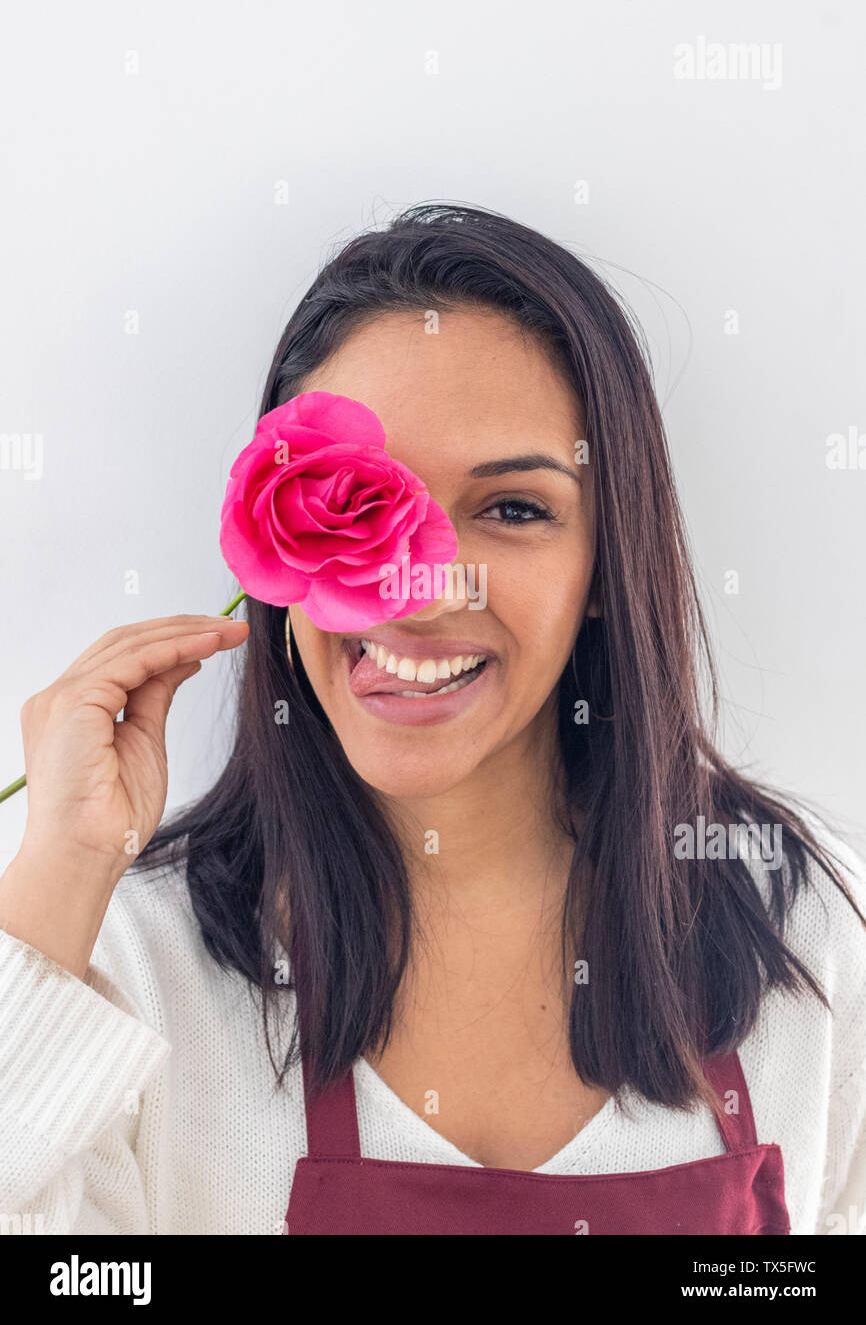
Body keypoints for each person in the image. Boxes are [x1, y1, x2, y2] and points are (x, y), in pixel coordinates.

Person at [1, 203, 864, 1235]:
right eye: (363, 499)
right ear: (276, 552)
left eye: (512, 509)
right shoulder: (126, 960)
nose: (418, 587)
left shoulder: (810, 930)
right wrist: (57, 875)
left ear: (604, 566)